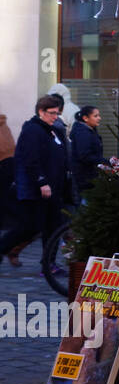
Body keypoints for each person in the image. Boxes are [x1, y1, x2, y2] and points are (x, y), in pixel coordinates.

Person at [0, 96, 70, 263]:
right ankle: (3, 248)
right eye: (52, 113)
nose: (56, 116)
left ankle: (48, 263)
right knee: (30, 227)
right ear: (41, 112)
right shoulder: (32, 130)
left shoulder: (52, 130)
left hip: (54, 188)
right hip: (37, 189)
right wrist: (42, 181)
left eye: (57, 113)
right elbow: (31, 160)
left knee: (53, 227)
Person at [71, 105, 116, 196]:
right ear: (85, 118)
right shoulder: (83, 133)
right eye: (95, 116)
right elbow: (85, 155)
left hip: (89, 175)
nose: (99, 118)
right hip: (84, 176)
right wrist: (105, 162)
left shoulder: (90, 130)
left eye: (99, 115)